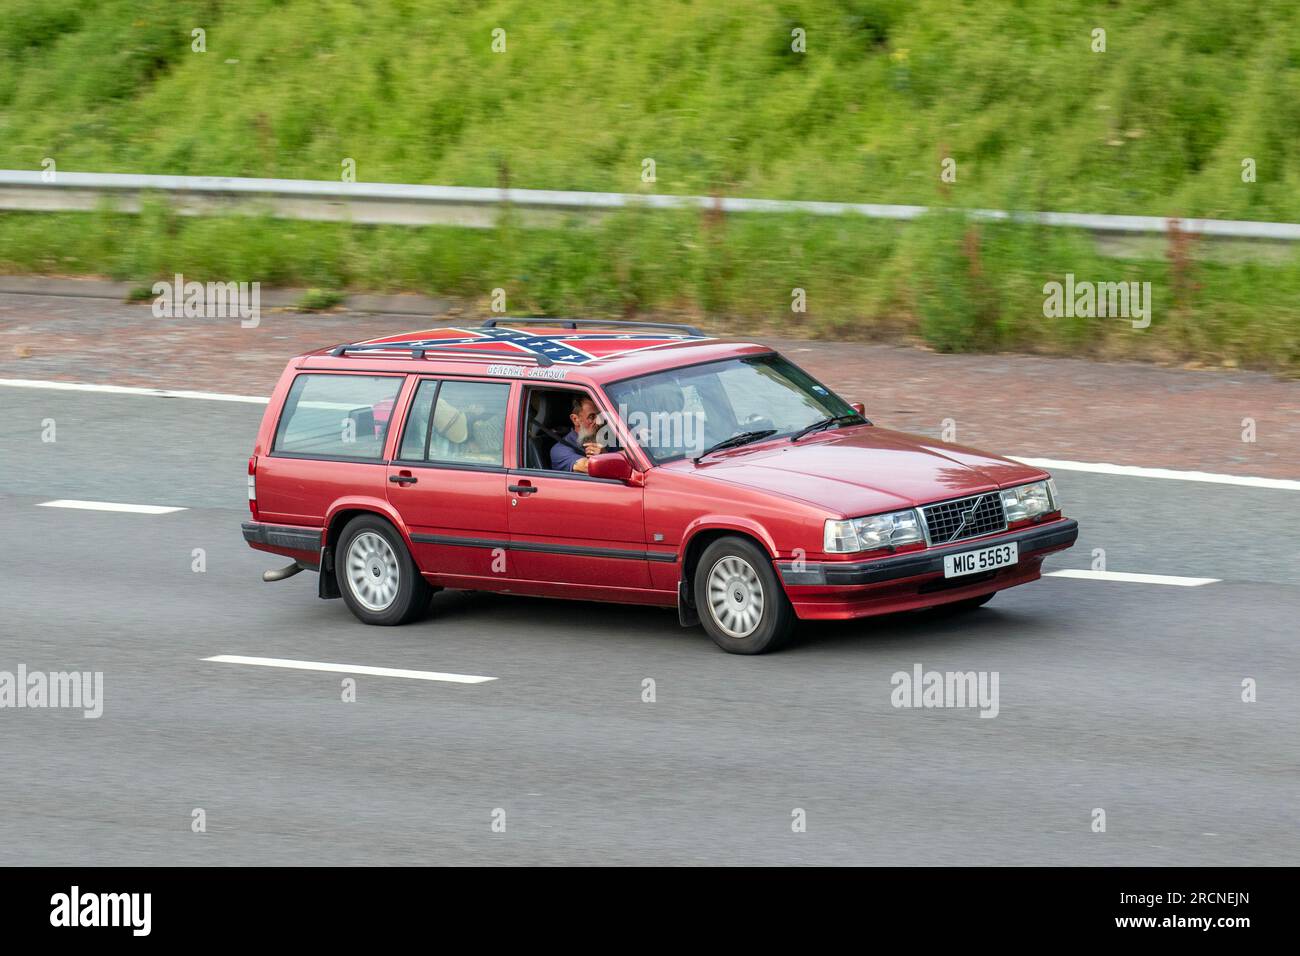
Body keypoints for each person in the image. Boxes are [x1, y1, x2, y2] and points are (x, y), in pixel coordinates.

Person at [550, 396, 605, 473]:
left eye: (600, 416)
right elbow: (587, 466)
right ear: (575, 419)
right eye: (592, 417)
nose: (599, 422)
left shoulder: (605, 439)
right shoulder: (560, 450)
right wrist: (606, 457)